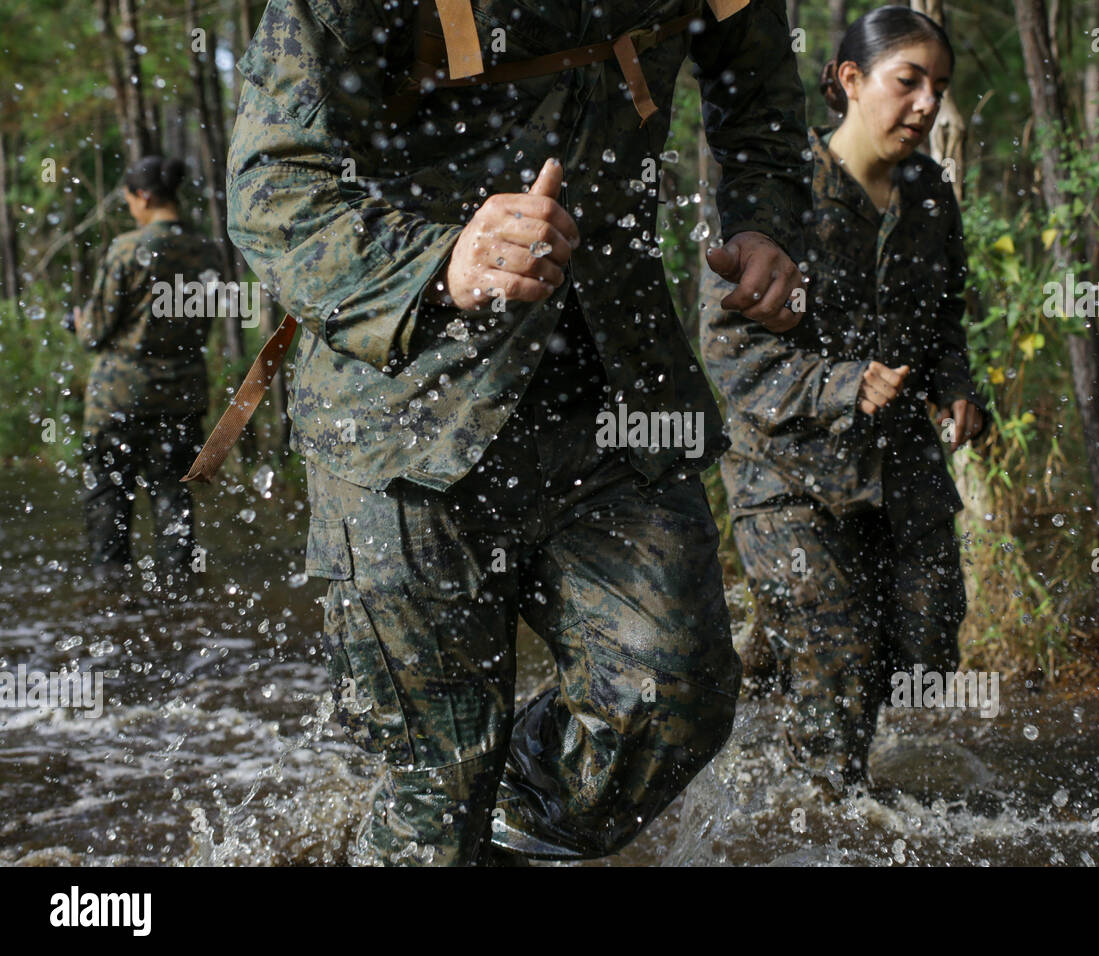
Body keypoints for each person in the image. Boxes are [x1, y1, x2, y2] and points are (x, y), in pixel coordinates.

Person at [225, 0, 811, 865]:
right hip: (403, 411)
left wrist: (765, 223)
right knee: (437, 787)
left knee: (673, 699)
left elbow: (759, 98)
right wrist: (440, 261)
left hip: (617, 390)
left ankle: (510, 820)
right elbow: (271, 184)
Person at [701, 6, 989, 794]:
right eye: (910, 82)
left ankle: (764, 658)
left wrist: (956, 389)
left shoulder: (930, 194)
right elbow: (729, 355)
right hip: (786, 475)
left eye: (940, 86)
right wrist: (842, 385)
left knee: (925, 649)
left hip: (899, 470)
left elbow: (945, 318)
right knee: (840, 672)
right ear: (852, 80)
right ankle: (822, 825)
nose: (928, 103)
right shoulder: (774, 193)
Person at [75, 155, 224, 590]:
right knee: (173, 499)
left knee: (109, 502)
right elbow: (203, 323)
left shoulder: (127, 249)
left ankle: (113, 608)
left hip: (119, 398)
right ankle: (182, 610)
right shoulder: (207, 251)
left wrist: (80, 321)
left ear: (143, 196)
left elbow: (96, 333)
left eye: (128, 199)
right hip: (182, 395)